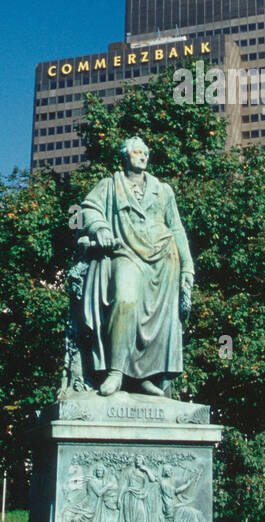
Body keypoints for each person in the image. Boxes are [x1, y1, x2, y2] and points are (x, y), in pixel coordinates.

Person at [72, 137, 194, 397]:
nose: (142, 157)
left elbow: (176, 228)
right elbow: (88, 209)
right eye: (137, 152)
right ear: (125, 156)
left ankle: (145, 377)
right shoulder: (109, 185)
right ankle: (116, 371)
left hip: (163, 260)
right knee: (126, 301)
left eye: (145, 153)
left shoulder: (163, 190)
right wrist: (101, 228)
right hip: (125, 252)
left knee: (158, 321)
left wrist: (187, 267)